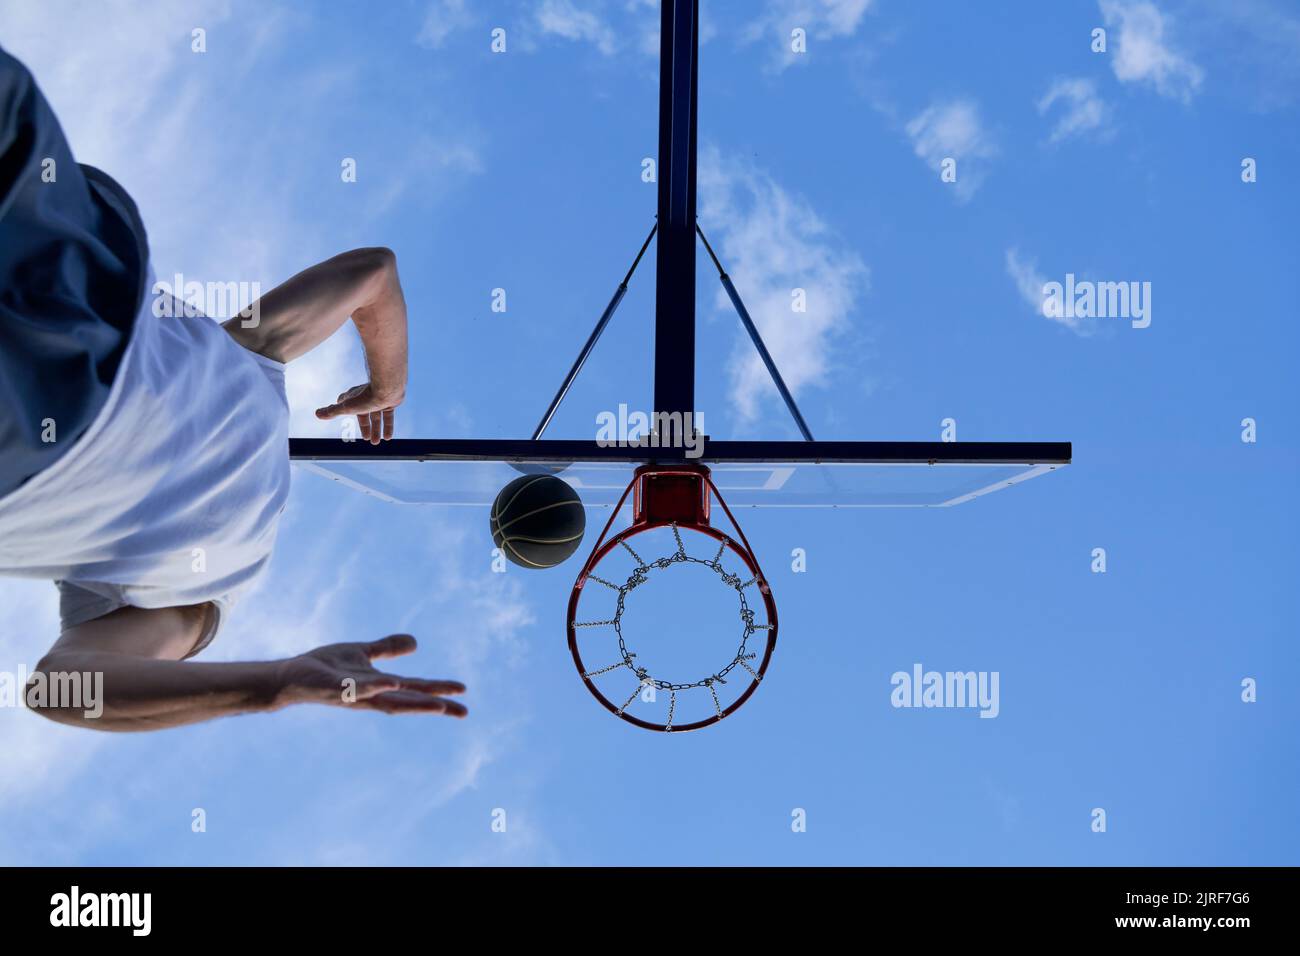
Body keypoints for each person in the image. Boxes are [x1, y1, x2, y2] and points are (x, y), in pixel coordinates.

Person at [0, 47, 466, 731]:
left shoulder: (202, 600)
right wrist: (387, 386)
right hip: (76, 298)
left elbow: (60, 688)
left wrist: (271, 684)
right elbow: (375, 270)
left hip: (67, 368)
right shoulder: (203, 592)